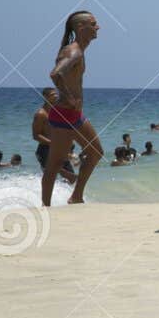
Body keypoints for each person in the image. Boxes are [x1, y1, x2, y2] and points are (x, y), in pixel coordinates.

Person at [42, 11, 104, 207]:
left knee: (95, 152)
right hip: (63, 115)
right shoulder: (73, 51)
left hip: (74, 115)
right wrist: (68, 97)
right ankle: (46, 207)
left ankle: (76, 196)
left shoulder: (79, 50)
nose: (98, 27)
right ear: (81, 28)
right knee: (54, 164)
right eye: (93, 24)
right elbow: (55, 74)